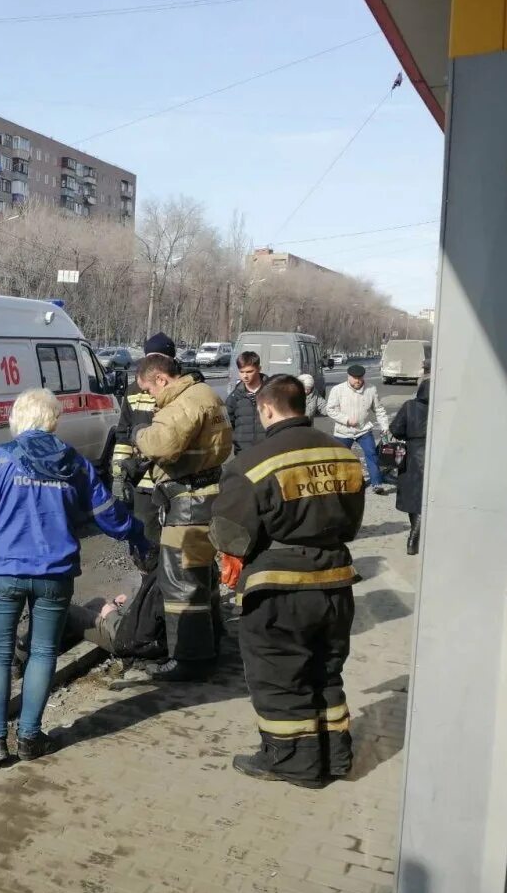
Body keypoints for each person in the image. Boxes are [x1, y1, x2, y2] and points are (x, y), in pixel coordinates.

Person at [0, 388, 149, 767]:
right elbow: (109, 514)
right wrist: (137, 533)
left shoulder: (0, 460)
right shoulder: (75, 463)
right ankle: (30, 737)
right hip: (54, 574)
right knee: (42, 653)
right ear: (53, 420)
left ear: (19, 418)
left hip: (3, 573)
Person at [210, 375, 366, 788]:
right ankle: (334, 757)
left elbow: (230, 536)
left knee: (280, 677)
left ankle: (293, 764)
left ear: (266, 408)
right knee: (325, 672)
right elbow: (352, 523)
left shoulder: (254, 464)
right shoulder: (344, 456)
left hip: (279, 589)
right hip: (336, 582)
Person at [132, 353, 233, 681]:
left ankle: (188, 659)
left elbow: (163, 442)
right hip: (207, 498)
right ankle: (212, 639)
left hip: (188, 505)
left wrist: (139, 435)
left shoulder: (183, 404)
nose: (149, 397)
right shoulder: (207, 394)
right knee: (202, 576)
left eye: (149, 389)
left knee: (178, 582)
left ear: (161, 378)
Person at [111, 332, 177, 546]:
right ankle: (147, 575)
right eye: (149, 358)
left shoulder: (183, 389)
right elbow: (123, 433)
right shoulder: (133, 390)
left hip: (174, 482)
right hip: (142, 482)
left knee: (174, 543)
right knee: (144, 539)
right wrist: (119, 474)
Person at [326, 364, 393, 494]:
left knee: (372, 455)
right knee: (340, 458)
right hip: (343, 431)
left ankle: (376, 484)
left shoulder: (371, 389)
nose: (358, 381)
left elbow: (379, 409)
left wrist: (385, 426)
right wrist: (346, 420)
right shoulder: (337, 390)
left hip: (363, 430)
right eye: (354, 378)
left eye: (360, 378)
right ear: (348, 377)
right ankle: (338, 484)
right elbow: (330, 409)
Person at [390, 376, 430, 554]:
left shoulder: (410, 406)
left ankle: (413, 538)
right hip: (435, 453)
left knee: (415, 497)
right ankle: (416, 537)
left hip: (413, 454)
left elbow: (396, 429)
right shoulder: (442, 407)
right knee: (425, 498)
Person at [225, 352, 269, 453]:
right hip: (243, 453)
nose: (245, 376)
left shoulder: (272, 393)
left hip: (268, 452)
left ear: (259, 369)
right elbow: (228, 424)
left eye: (249, 372)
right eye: (241, 372)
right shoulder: (234, 397)